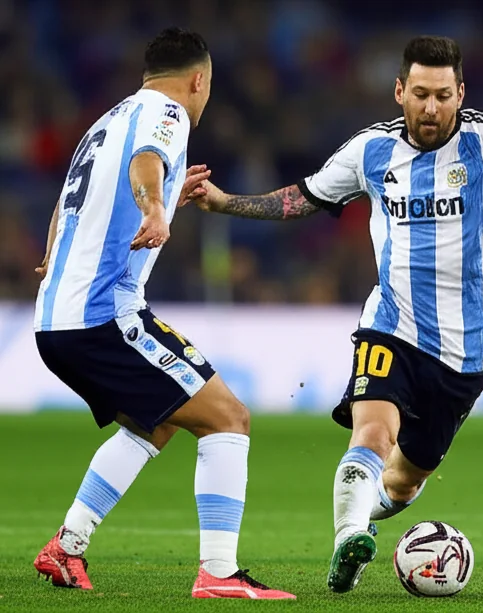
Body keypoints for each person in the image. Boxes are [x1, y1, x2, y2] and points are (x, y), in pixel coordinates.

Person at [188, 35, 483, 593]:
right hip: (390, 324)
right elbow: (306, 197)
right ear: (399, 91)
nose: (431, 107)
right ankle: (349, 537)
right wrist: (226, 204)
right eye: (420, 93)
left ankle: (362, 518)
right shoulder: (370, 150)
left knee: (405, 480)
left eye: (443, 95)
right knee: (371, 433)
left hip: (469, 348)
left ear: (460, 93)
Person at [31, 27, 294, 600]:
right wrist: (158, 207)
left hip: (57, 319)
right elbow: (147, 162)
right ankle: (219, 573)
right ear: (198, 80)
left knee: (160, 421)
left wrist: (57, 252)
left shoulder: (106, 122)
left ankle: (66, 546)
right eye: (208, 88)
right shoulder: (167, 116)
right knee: (230, 417)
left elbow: (70, 202)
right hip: (104, 316)